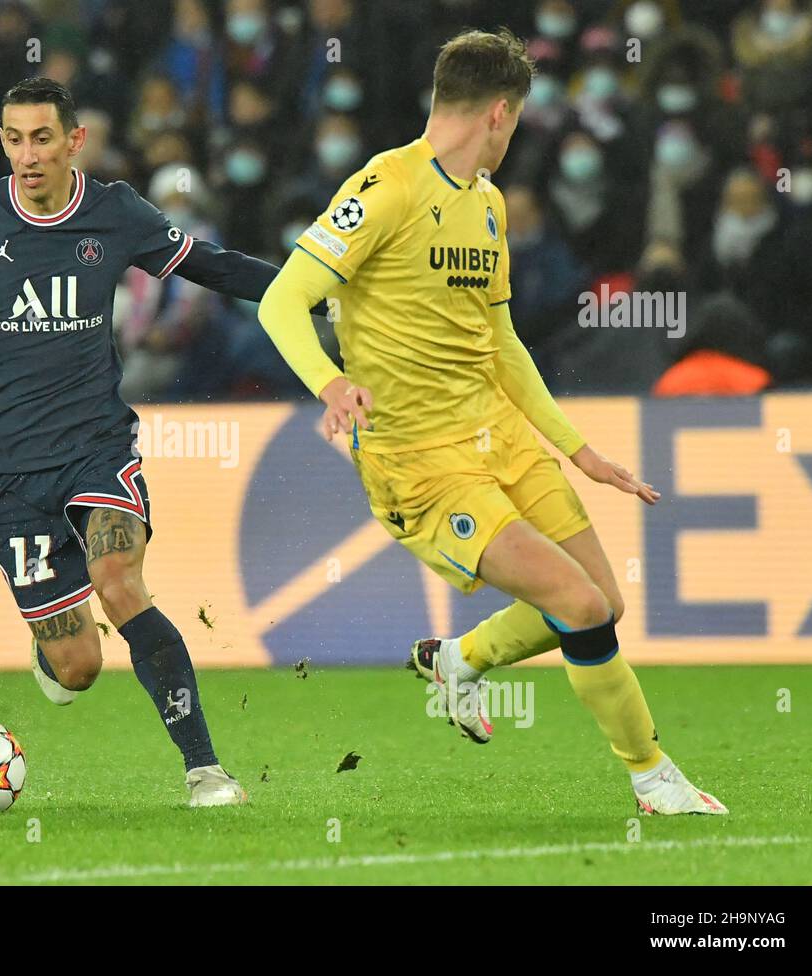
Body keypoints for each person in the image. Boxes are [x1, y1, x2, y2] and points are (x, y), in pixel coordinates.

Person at [257, 29, 727, 816]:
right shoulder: (386, 187)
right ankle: (653, 778)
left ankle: (459, 659)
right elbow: (281, 299)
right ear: (502, 113)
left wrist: (580, 453)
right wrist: (330, 381)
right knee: (576, 607)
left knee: (603, 604)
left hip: (501, 434)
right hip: (420, 461)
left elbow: (501, 342)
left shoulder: (488, 203)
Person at [0, 78, 317, 807]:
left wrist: (304, 287)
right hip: (7, 468)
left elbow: (208, 262)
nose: (28, 155)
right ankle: (55, 649)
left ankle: (204, 769)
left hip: (95, 447)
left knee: (120, 582)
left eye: (42, 138)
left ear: (74, 141)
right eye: (14, 139)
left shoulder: (115, 214)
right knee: (78, 666)